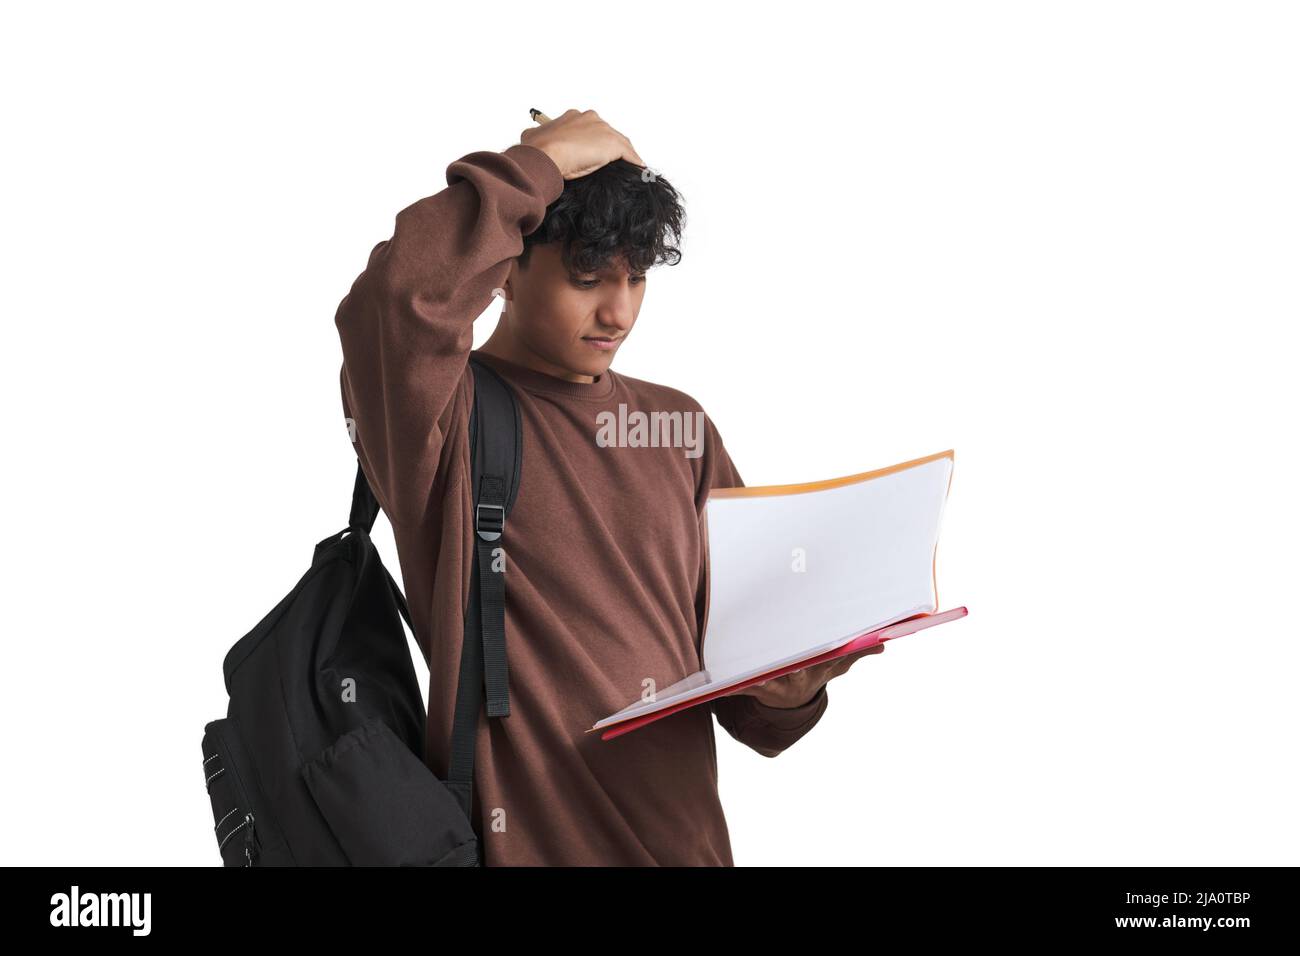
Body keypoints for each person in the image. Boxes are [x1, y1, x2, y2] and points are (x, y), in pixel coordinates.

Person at [334, 108, 883, 866]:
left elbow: (751, 698)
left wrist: (790, 693)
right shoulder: (443, 418)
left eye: (636, 278)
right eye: (587, 278)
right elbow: (396, 303)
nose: (617, 310)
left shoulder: (679, 428)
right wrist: (540, 162)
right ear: (507, 272)